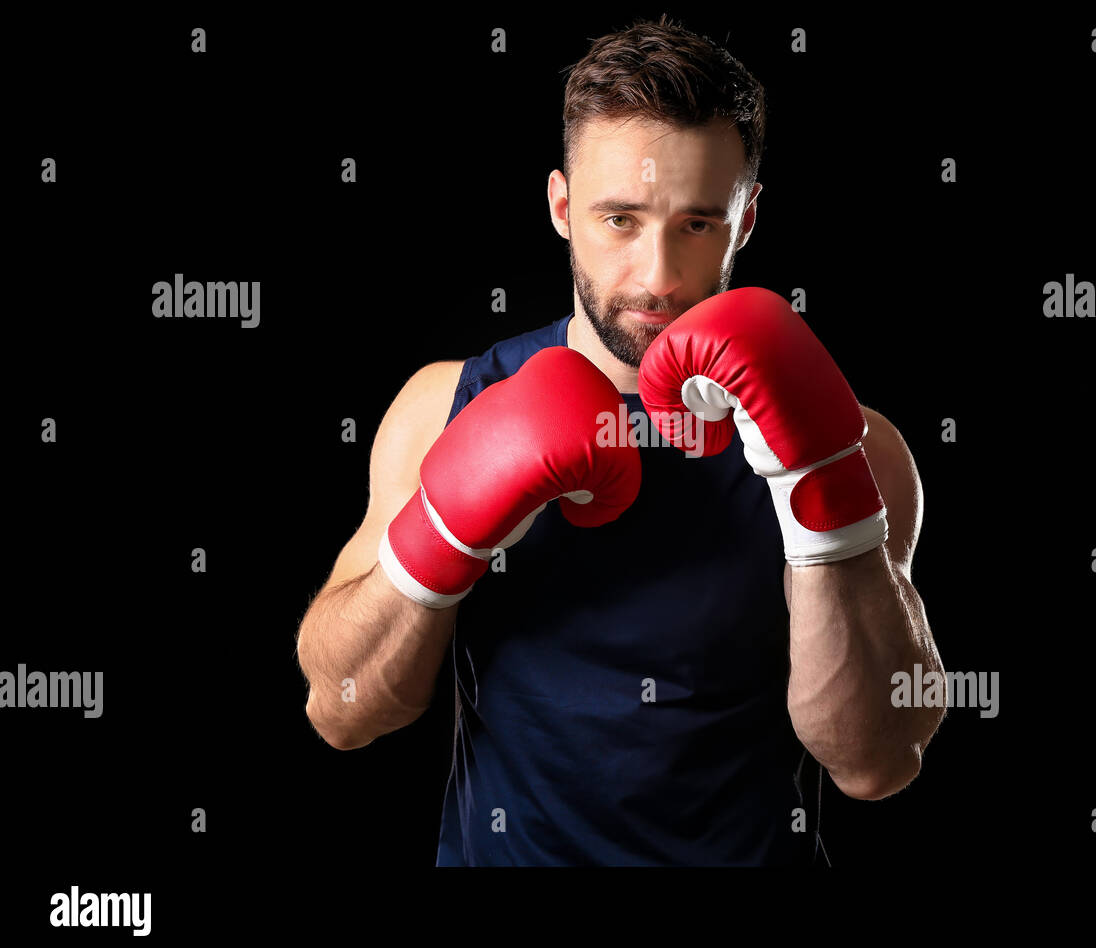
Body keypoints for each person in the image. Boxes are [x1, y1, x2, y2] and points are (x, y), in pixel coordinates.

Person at [296, 14, 944, 866]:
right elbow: (341, 711)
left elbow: (874, 762)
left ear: (746, 219)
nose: (658, 276)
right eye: (620, 219)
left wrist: (821, 493)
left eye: (698, 223)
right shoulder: (444, 404)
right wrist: (443, 535)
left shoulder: (857, 444)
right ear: (561, 206)